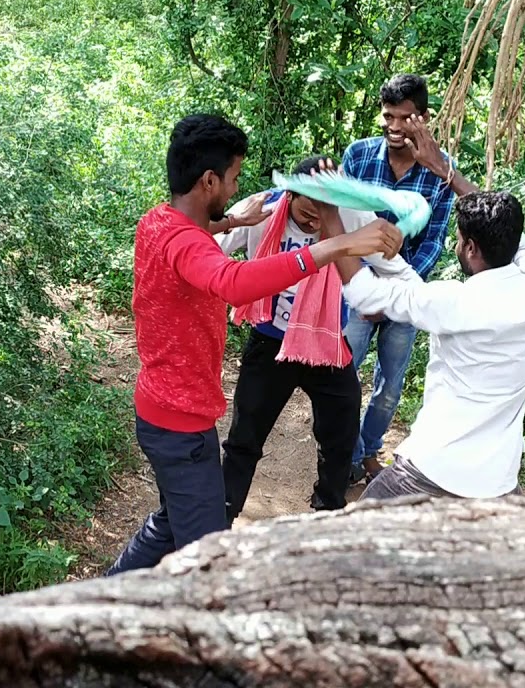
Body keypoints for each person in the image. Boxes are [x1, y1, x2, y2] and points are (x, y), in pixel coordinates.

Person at [105, 115, 403, 575]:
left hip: (162, 410)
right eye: (233, 176)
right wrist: (332, 247)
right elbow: (233, 281)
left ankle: (108, 592)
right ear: (209, 180)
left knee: (168, 524)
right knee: (207, 557)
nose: (237, 186)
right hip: (181, 426)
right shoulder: (191, 243)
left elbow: (194, 243)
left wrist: (230, 221)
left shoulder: (157, 221)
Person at [216, 155, 423, 524]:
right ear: (290, 195)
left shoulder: (349, 217)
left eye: (323, 213)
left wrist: (434, 305)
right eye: (307, 212)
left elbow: (397, 269)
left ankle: (328, 511)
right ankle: (221, 517)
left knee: (341, 434)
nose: (315, 221)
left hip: (325, 344)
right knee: (244, 438)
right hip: (270, 342)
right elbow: (209, 249)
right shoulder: (261, 211)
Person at [321, 191, 525, 500]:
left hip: (432, 468)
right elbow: (516, 236)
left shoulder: (455, 301)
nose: (457, 244)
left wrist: (330, 217)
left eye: (459, 239)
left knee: (356, 529)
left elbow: (365, 293)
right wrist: (450, 176)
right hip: (498, 480)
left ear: (471, 248)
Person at [340, 73, 479, 484]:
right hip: (356, 288)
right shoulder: (359, 156)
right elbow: (342, 225)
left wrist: (394, 298)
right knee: (344, 376)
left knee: (390, 387)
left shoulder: (440, 168)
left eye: (405, 117)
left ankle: (368, 451)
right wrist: (366, 292)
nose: (395, 126)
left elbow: (434, 241)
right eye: (389, 117)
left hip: (409, 292)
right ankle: (344, 456)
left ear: (423, 118)